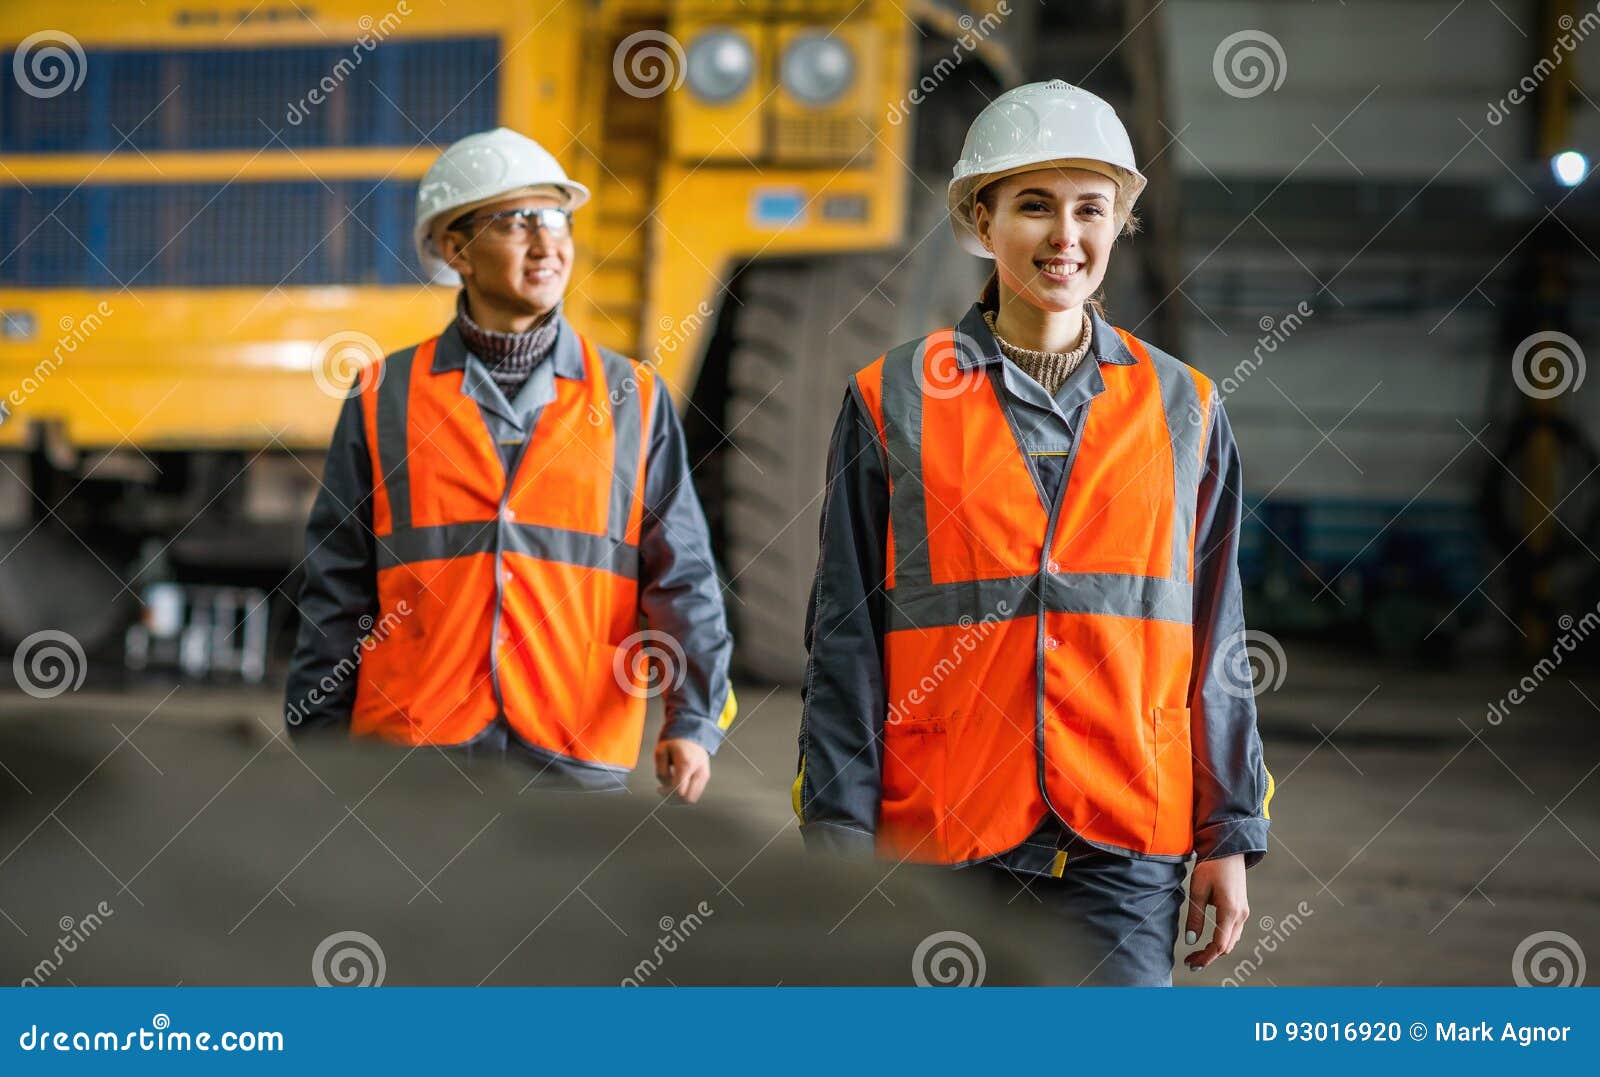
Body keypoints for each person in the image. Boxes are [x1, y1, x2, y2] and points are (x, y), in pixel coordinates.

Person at [793, 81, 1274, 984]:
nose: (1065, 236)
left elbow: (1216, 638)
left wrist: (1229, 832)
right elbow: (845, 638)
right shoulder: (891, 398)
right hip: (939, 828)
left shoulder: (1187, 408)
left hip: (1125, 843)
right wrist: (837, 831)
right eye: (1033, 206)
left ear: (1118, 223)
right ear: (982, 219)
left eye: (1091, 209)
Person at [285, 127, 736, 803]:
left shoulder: (631, 398)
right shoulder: (385, 394)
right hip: (413, 748)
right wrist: (318, 734)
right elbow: (337, 581)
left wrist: (695, 717)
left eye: (557, 218)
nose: (547, 241)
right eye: (518, 220)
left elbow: (684, 576)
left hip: (573, 744)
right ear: (455, 249)